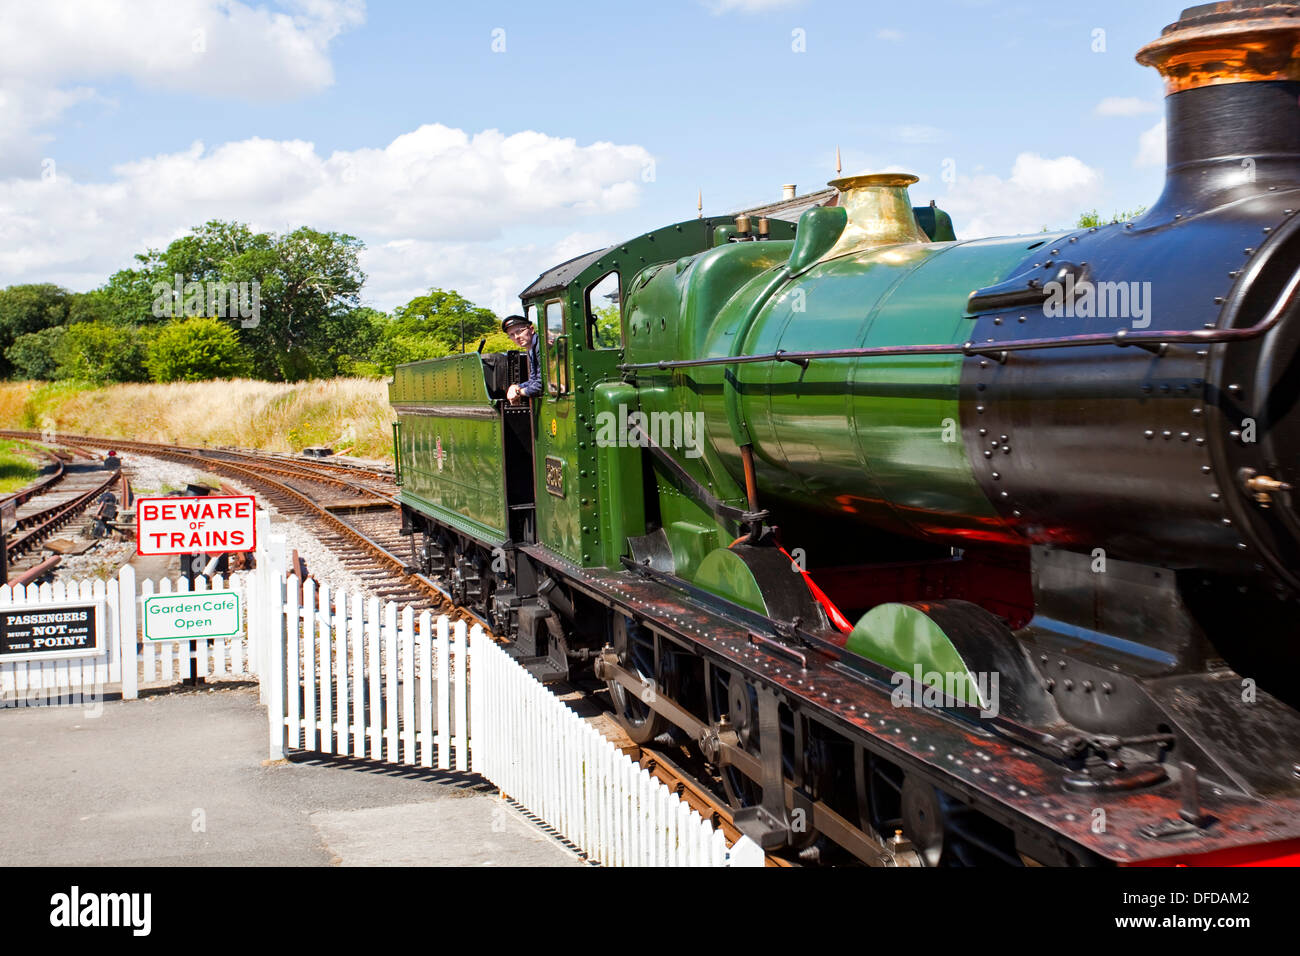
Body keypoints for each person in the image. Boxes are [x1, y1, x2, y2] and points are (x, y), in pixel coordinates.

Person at [502, 314, 542, 405]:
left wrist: (517, 392)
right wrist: (516, 386)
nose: (516, 337)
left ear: (531, 329)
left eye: (519, 331)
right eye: (511, 335)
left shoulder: (541, 347)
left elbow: (542, 384)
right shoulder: (531, 349)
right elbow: (534, 380)